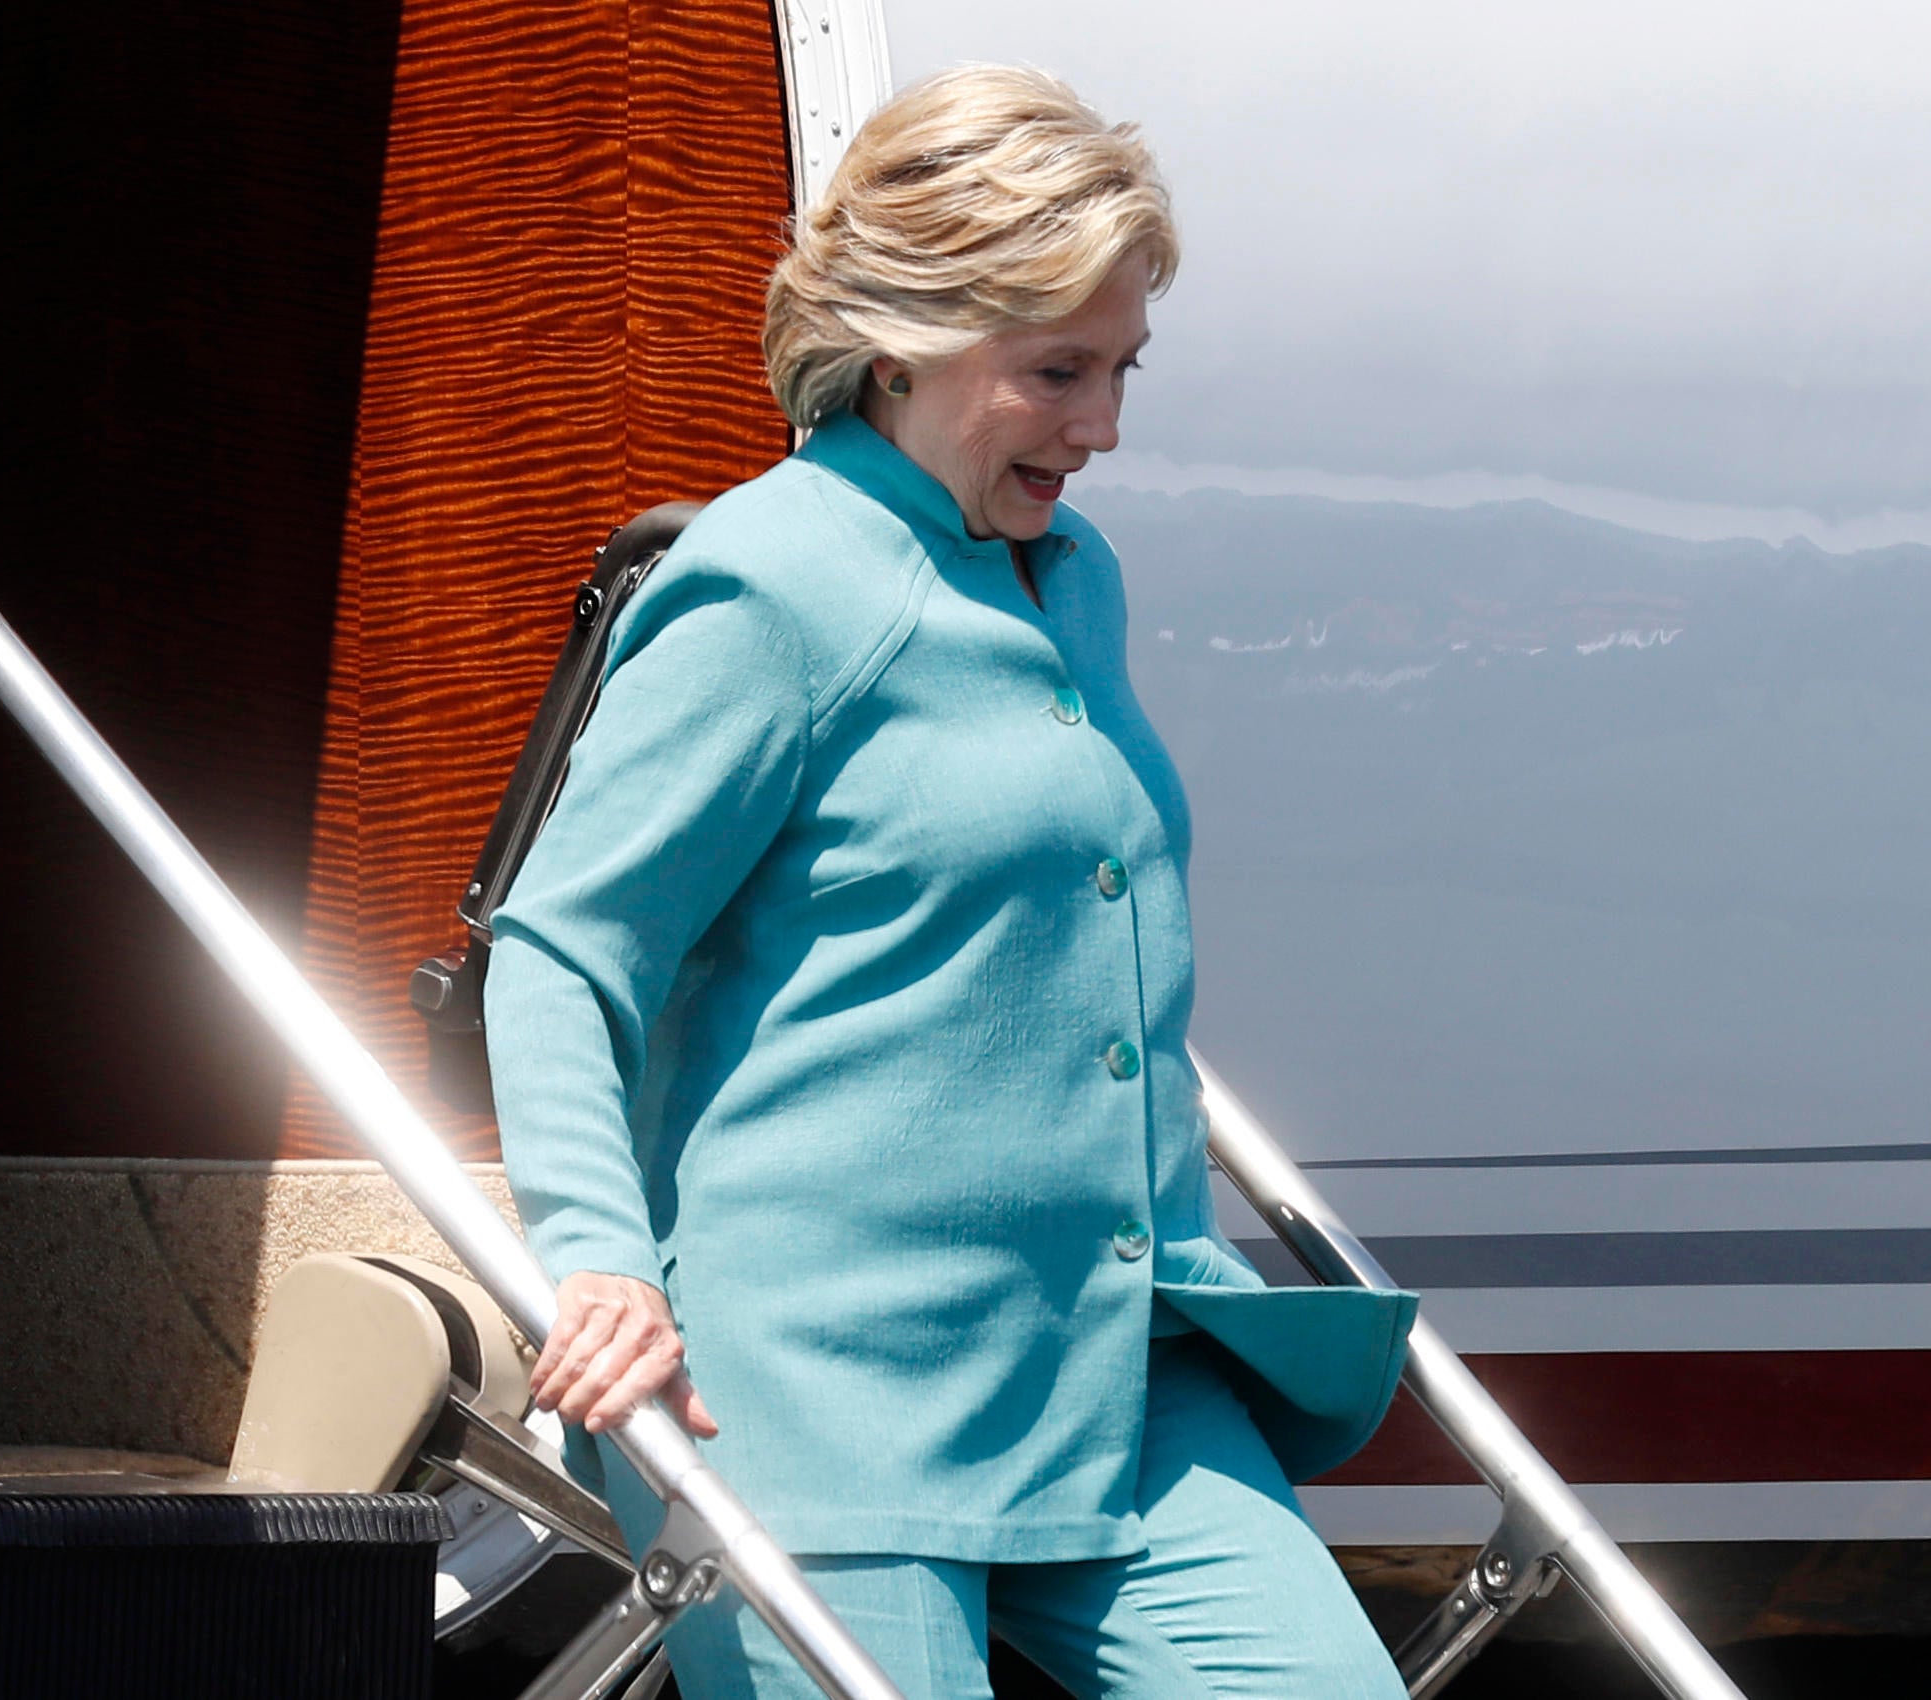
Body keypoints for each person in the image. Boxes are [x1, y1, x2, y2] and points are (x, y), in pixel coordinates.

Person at [485, 64, 1417, 1700]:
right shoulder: (767, 587)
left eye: (1123, 369)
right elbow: (566, 951)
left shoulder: (1074, 574)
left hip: (1113, 1373)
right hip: (812, 1396)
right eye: (1057, 371)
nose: (1103, 427)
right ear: (901, 339)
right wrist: (600, 1257)